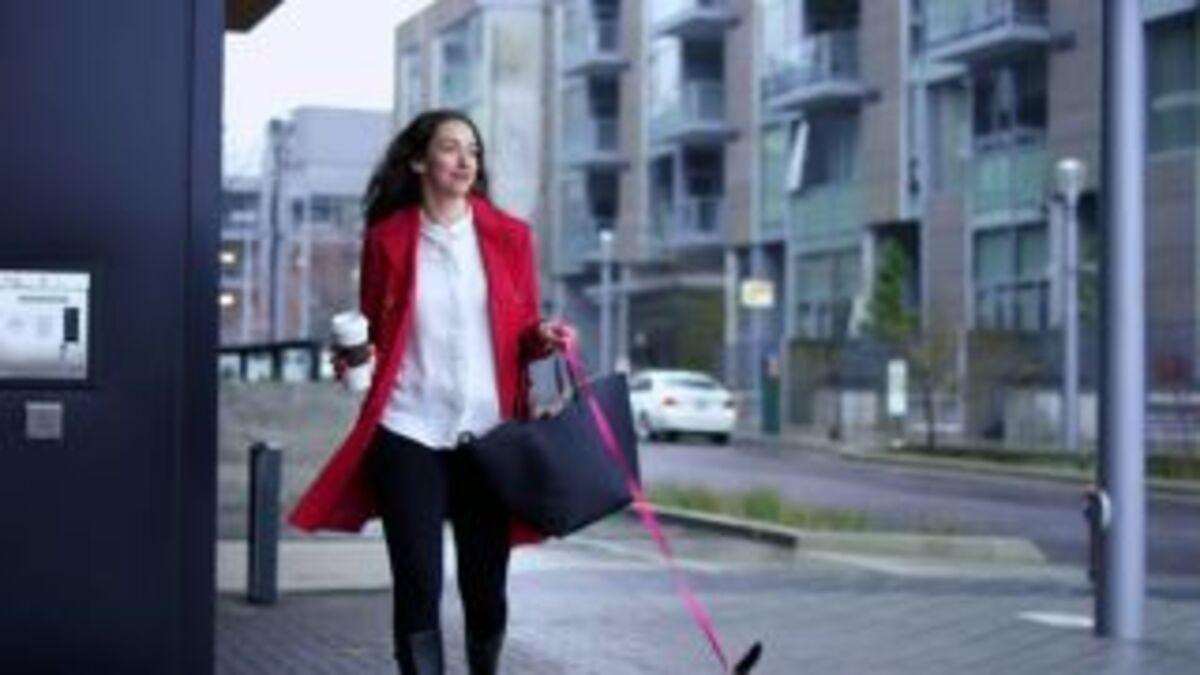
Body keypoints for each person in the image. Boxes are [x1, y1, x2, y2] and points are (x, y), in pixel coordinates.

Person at [289, 109, 575, 675]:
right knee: (418, 583)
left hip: (489, 439)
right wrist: (353, 356)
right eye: (450, 148)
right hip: (408, 431)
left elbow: (521, 333)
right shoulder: (388, 241)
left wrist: (542, 339)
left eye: (473, 149)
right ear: (420, 160)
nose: (466, 160)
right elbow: (371, 328)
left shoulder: (511, 238)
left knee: (484, 588)